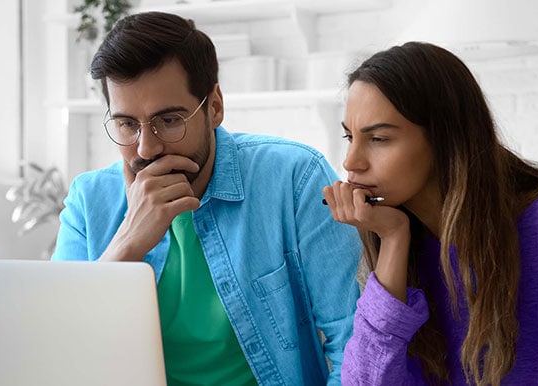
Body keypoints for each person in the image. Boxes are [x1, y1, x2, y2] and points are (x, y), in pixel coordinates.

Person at [51, 11, 362, 386]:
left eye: (169, 120)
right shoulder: (89, 201)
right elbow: (60, 356)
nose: (147, 147)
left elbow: (355, 346)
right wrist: (126, 246)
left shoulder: (295, 177)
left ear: (214, 106)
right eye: (127, 124)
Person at [322, 42, 538, 385]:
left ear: (445, 139)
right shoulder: (400, 248)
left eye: (379, 138)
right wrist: (393, 238)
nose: (351, 162)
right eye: (348, 136)